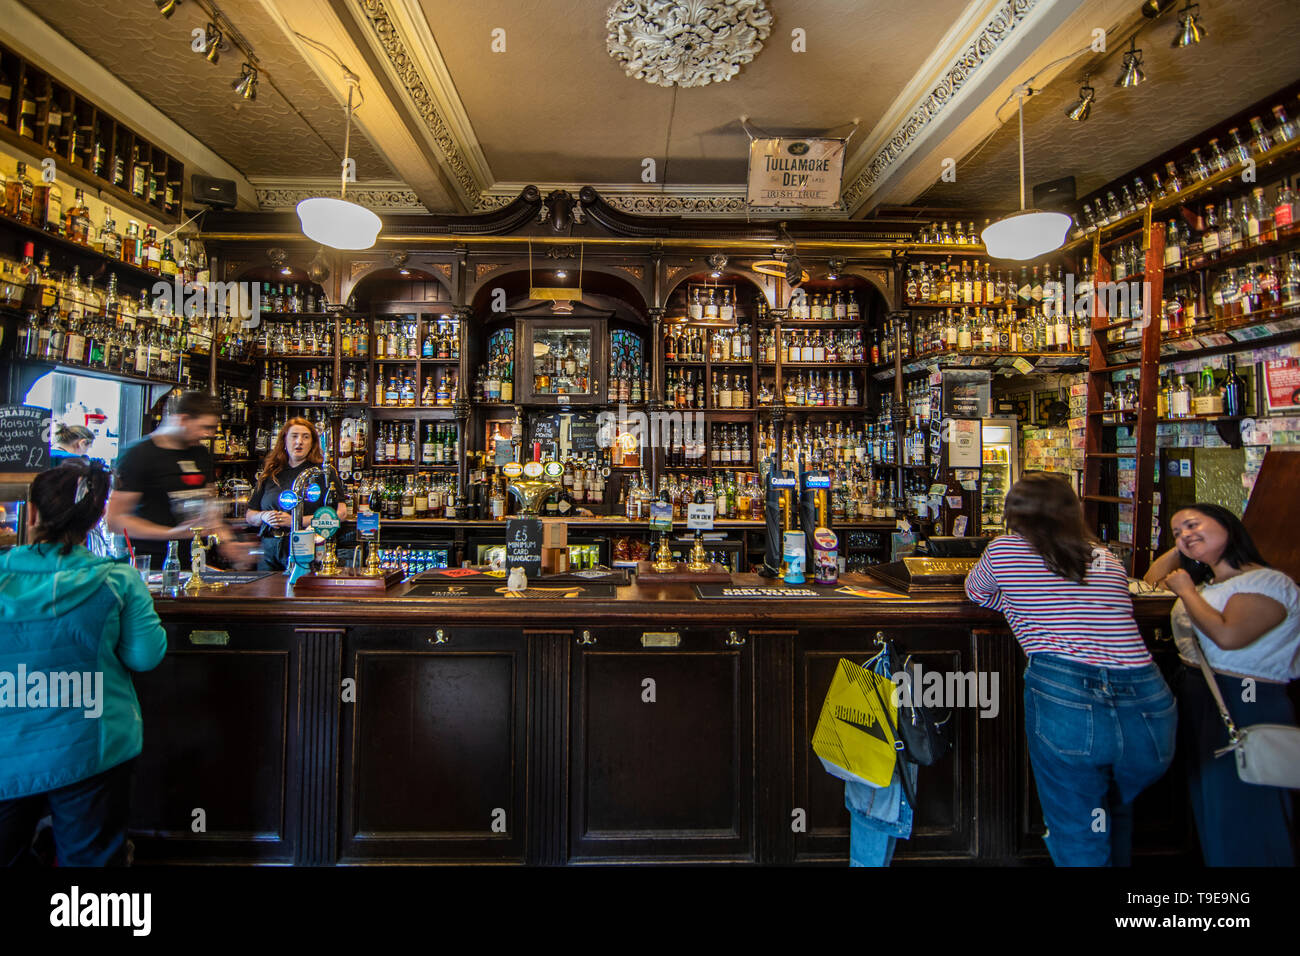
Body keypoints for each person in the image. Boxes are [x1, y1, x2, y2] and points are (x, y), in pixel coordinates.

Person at [964, 472, 1176, 866]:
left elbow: (976, 593)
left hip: (1069, 694)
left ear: (1014, 512)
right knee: (1115, 815)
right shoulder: (1104, 557)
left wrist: (1019, 610)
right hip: (1148, 699)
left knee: (1078, 829)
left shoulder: (1006, 550)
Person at [0, 461, 166, 866]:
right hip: (90, 745)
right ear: (95, 518)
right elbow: (146, 657)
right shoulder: (117, 580)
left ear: (33, 513)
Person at [1144, 503, 1298, 866]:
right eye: (1177, 530)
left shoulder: (1266, 582)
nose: (1185, 534)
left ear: (1229, 526)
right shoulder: (1210, 582)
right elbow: (1150, 583)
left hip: (1246, 698)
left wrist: (1187, 591)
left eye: (1194, 525)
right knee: (1213, 807)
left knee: (1248, 804)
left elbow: (1228, 636)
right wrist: (1182, 548)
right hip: (1203, 698)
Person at [105, 391, 247, 568]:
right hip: (149, 564)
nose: (209, 434)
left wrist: (228, 541)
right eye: (205, 427)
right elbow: (116, 520)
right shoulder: (138, 454)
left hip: (193, 560)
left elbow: (209, 505)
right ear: (183, 419)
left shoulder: (200, 453)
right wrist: (172, 533)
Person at [245, 417, 347, 571]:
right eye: (294, 436)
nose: (299, 441)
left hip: (306, 545)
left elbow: (340, 513)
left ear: (312, 443)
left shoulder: (322, 472)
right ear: (284, 440)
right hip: (269, 547)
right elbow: (250, 515)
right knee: (267, 592)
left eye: (305, 437)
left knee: (301, 590)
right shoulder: (271, 472)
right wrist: (263, 516)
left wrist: (295, 521)